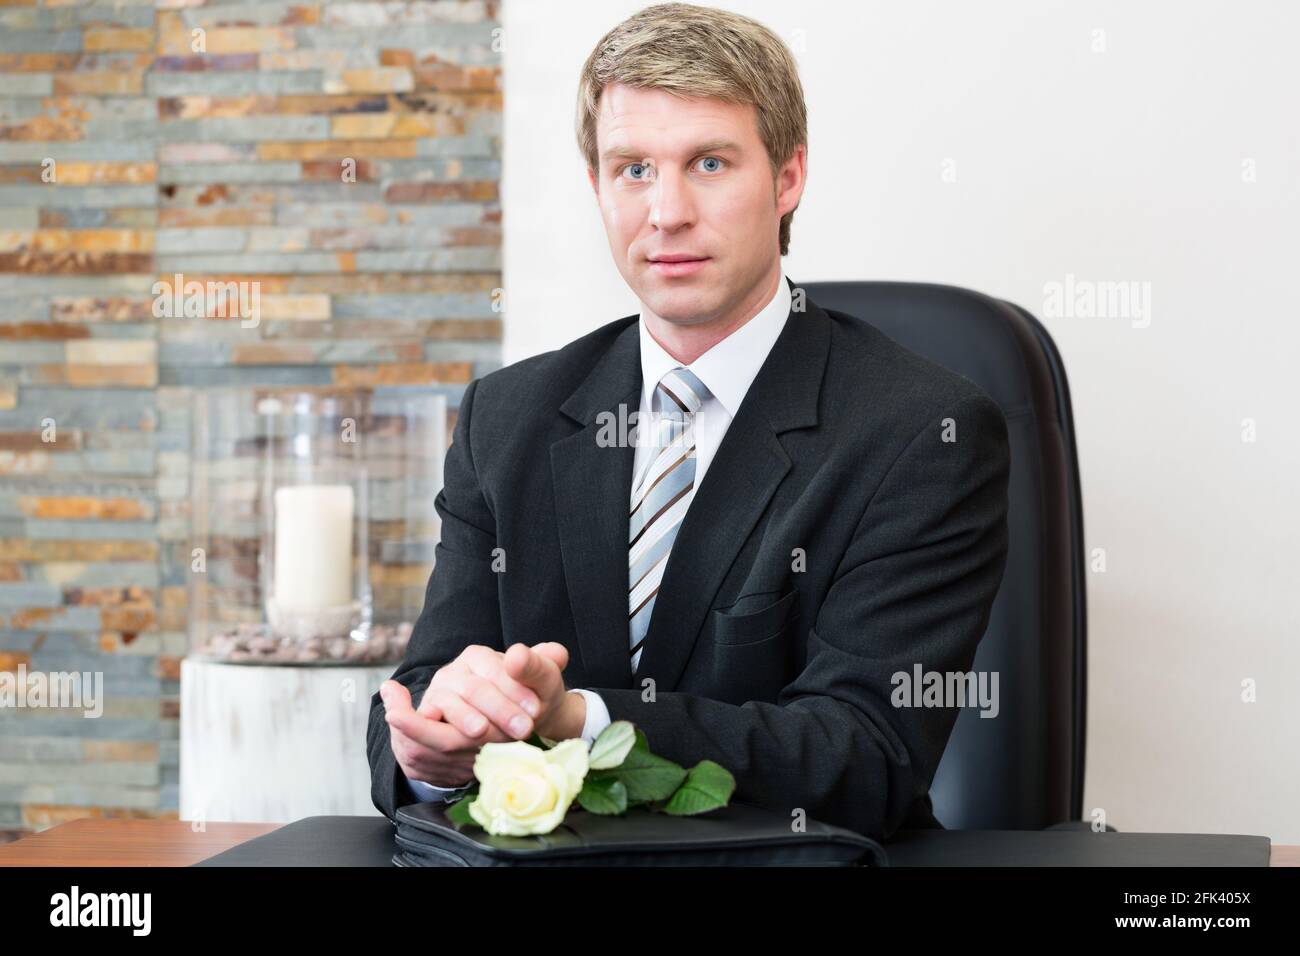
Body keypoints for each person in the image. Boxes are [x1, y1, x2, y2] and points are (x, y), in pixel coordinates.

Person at [367, 2, 1010, 840]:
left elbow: (865, 756)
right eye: (632, 168)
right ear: (596, 185)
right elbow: (417, 696)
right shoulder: (507, 417)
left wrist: (585, 721)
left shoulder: (923, 432)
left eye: (708, 163)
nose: (665, 212)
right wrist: (431, 746)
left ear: (788, 178)